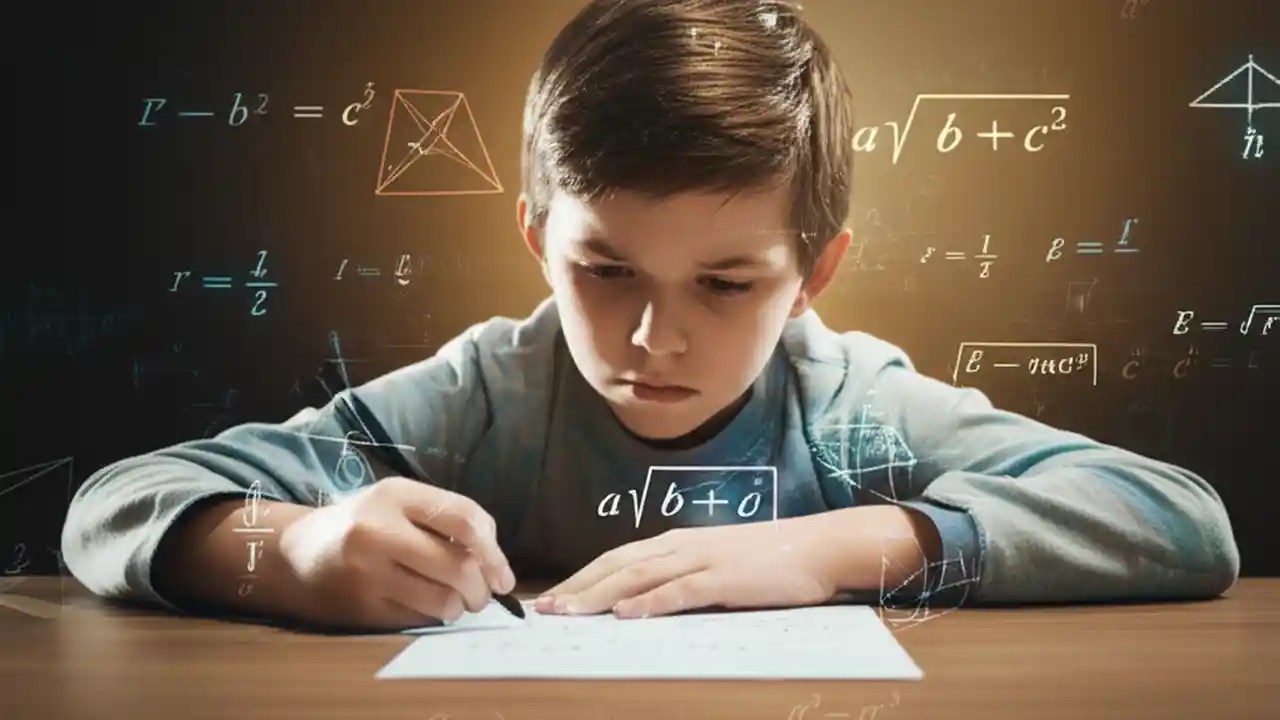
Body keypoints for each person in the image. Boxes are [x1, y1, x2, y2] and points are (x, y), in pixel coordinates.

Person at [61, 0, 1239, 631]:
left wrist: (828, 551)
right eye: (604, 271)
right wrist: (291, 554)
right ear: (536, 239)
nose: (649, 340)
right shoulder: (482, 394)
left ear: (813, 275)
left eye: (725, 286)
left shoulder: (852, 412)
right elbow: (115, 505)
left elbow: (1179, 520)